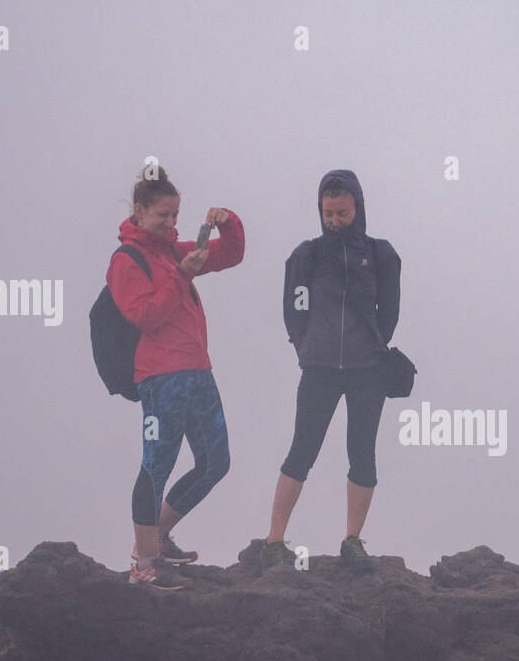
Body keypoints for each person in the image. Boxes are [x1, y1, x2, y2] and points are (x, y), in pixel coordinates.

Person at [108, 166, 245, 589]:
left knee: (214, 462)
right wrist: (183, 274)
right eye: (162, 215)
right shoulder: (126, 260)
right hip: (160, 378)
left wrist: (229, 222)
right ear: (139, 211)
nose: (170, 223)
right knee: (156, 465)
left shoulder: (172, 252)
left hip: (198, 371)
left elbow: (231, 255)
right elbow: (145, 316)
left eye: (175, 215)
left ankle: (158, 537)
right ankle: (144, 564)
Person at [258, 169, 401, 574]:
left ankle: (352, 541)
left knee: (362, 454)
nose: (334, 220)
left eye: (342, 212)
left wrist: (371, 346)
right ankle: (274, 542)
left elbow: (389, 312)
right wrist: (306, 346)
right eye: (328, 213)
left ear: (358, 206)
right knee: (301, 450)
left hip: (366, 371)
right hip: (319, 368)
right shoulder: (307, 256)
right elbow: (294, 306)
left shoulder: (381, 255)